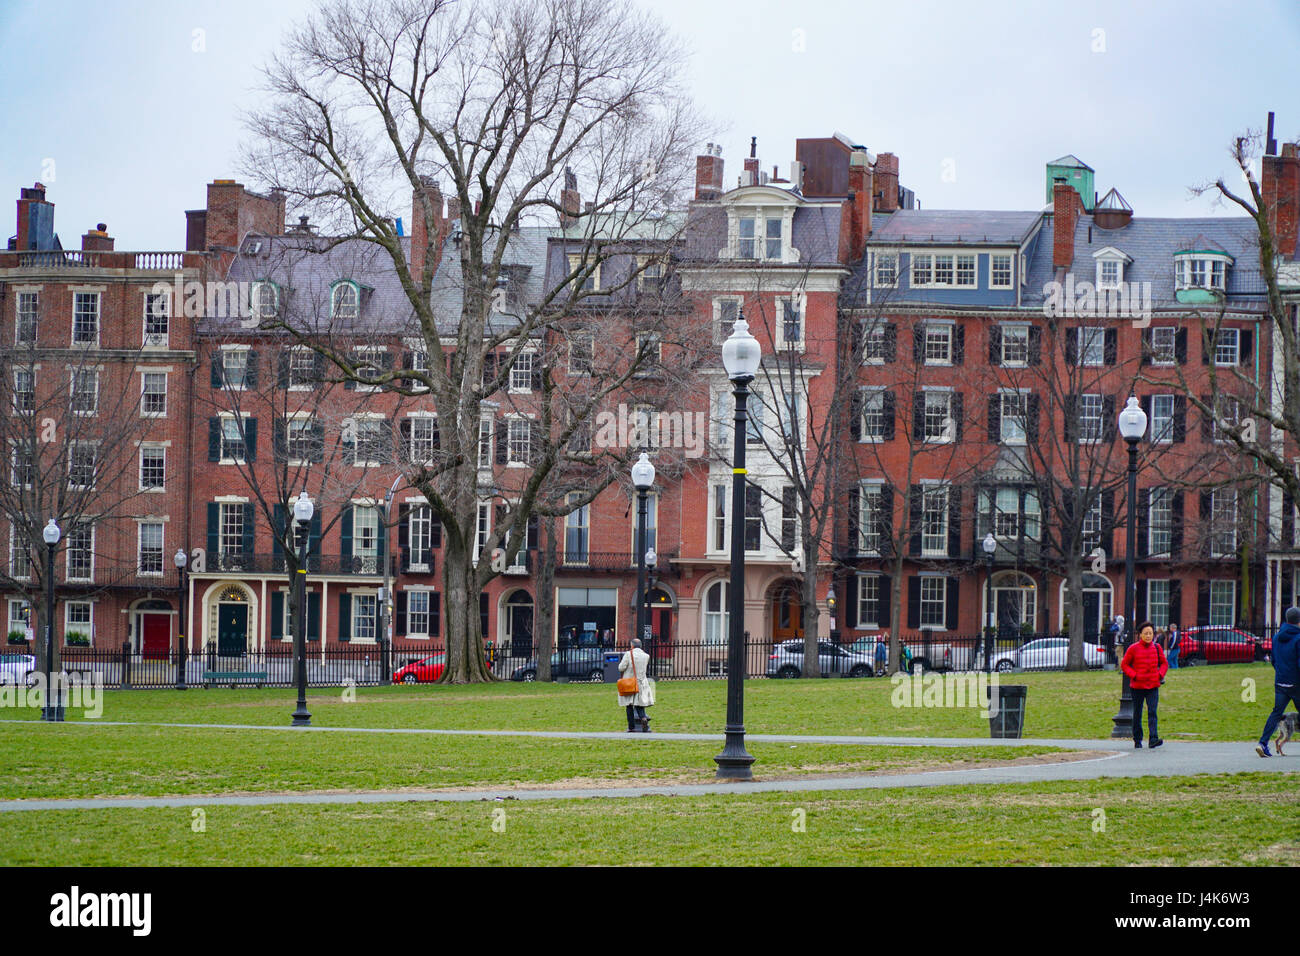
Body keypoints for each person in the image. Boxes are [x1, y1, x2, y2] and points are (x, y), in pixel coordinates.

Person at [1256, 606, 1300, 757]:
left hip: (1281, 682)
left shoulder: (1276, 637)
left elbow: (1274, 660)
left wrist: (1281, 674)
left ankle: (1262, 743)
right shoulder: (1299, 638)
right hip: (1296, 683)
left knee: (1276, 713)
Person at [1121, 620, 1168, 749]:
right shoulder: (1133, 648)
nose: (1148, 636)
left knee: (1152, 712)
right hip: (1137, 687)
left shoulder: (1157, 648)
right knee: (1137, 713)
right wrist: (1134, 675)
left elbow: (1164, 663)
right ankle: (1137, 739)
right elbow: (1124, 664)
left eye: (1151, 633)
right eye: (1146, 633)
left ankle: (1153, 738)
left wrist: (1159, 675)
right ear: (1140, 635)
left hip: (1153, 685)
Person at [618, 637, 655, 733]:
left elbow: (621, 668)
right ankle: (643, 718)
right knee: (639, 704)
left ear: (632, 645)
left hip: (630, 682)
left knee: (629, 705)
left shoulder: (628, 654)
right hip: (642, 683)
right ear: (641, 646)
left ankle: (631, 727)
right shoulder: (646, 656)